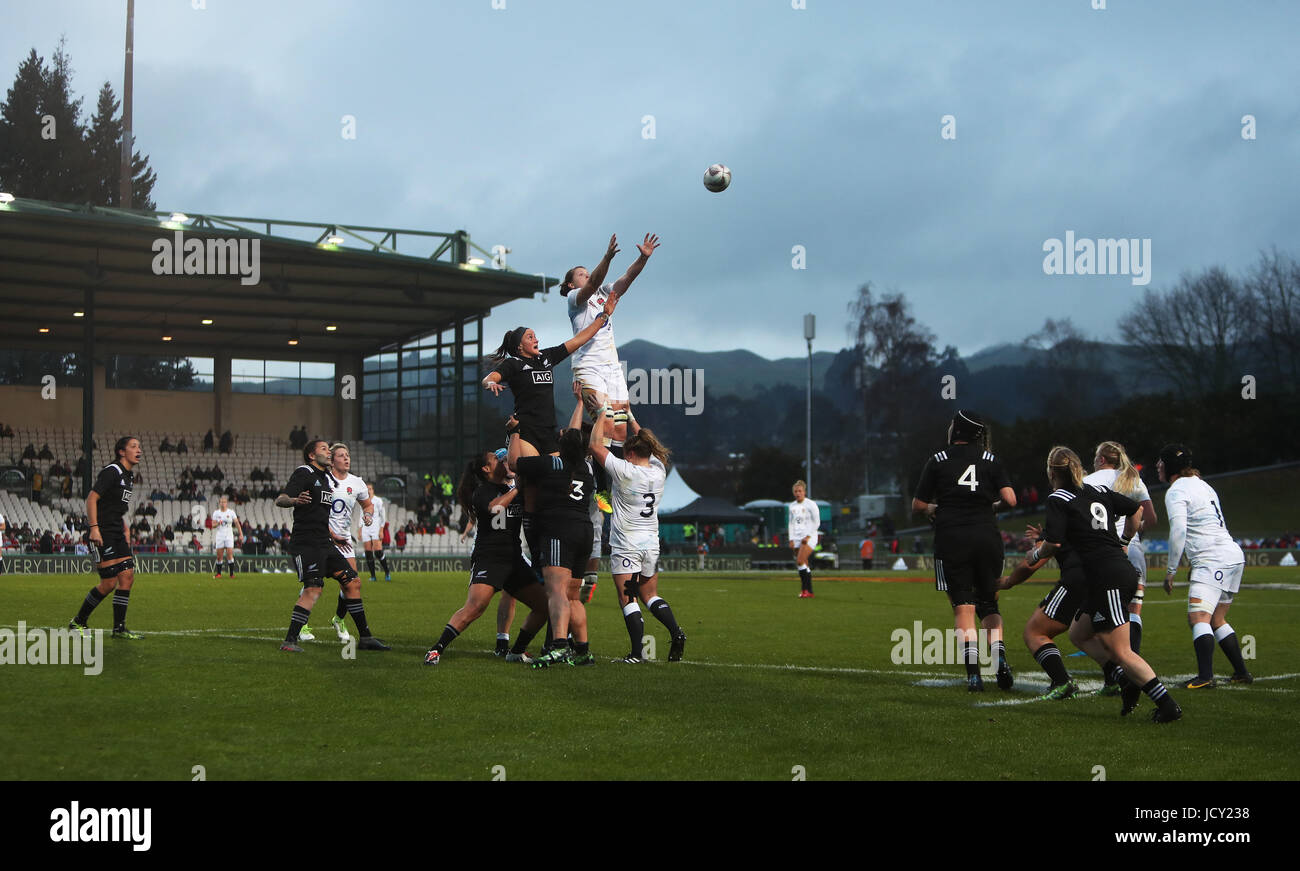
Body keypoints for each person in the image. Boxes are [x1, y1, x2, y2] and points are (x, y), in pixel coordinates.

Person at [1028, 446, 1181, 722]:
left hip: (1106, 575)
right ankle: (1124, 678)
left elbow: (1053, 544)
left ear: (1052, 472)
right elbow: (1136, 510)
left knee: (1121, 650)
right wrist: (1123, 541)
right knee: (1079, 633)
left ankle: (1166, 703)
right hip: (1111, 572)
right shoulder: (1095, 491)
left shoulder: (1058, 497)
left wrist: (1035, 554)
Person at [911, 410, 1016, 692]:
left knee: (963, 609)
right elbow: (1010, 499)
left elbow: (918, 505)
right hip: (987, 537)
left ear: (956, 430)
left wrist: (933, 507)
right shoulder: (991, 460)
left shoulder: (938, 460)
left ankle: (973, 675)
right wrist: (991, 506)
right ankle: (1000, 659)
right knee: (989, 605)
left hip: (951, 539)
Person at [424, 449, 551, 666]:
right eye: (496, 458)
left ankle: (516, 650)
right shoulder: (483, 491)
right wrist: (517, 489)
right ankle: (436, 649)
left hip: (514, 558)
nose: (503, 460)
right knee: (475, 607)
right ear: (486, 469)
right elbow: (494, 508)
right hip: (489, 558)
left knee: (545, 606)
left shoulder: (511, 488)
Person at [590, 407, 686, 663]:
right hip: (651, 544)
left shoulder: (625, 471)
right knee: (650, 594)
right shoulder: (659, 471)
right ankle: (676, 632)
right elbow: (650, 445)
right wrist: (630, 417)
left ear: (631, 453)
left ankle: (637, 653)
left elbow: (594, 446)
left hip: (627, 545)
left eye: (626, 454)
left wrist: (601, 414)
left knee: (627, 597)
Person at [275, 439, 389, 653]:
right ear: (311, 455)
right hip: (306, 543)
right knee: (314, 587)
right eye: (324, 449)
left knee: (352, 581)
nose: (329, 452)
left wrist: (333, 536)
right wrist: (294, 501)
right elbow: (280, 499)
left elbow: (321, 515)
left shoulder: (326, 480)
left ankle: (365, 637)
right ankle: (290, 641)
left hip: (326, 543)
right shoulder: (304, 472)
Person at [563, 232, 661, 469]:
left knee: (620, 430)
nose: (586, 275)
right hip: (588, 366)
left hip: (612, 368)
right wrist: (607, 257)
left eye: (587, 272)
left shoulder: (604, 293)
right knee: (604, 419)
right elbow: (593, 282)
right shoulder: (575, 298)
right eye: (581, 274)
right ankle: (601, 486)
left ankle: (611, 479)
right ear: (570, 284)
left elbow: (627, 278)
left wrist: (643, 259)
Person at [1158, 444, 1252, 688]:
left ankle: (1205, 677)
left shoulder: (1176, 490)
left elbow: (1179, 531)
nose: (1157, 466)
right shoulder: (1203, 484)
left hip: (1213, 558)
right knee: (1217, 619)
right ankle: (1241, 672)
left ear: (1169, 466)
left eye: (1161, 462)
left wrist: (1171, 571)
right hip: (1232, 555)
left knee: (1198, 617)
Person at [510, 428, 596, 668]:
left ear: (563, 447)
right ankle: (583, 651)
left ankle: (558, 646)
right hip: (584, 531)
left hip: (560, 530)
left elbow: (514, 463)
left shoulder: (551, 463)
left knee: (556, 591)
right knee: (573, 597)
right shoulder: (588, 469)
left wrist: (516, 433)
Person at [1084, 441, 1157, 656]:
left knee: (1103, 613)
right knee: (1134, 611)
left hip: (1104, 553)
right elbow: (1151, 518)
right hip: (1132, 550)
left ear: (1101, 460)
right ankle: (1133, 661)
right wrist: (1131, 535)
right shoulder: (1133, 479)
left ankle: (1117, 667)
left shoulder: (1088, 481)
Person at [68, 436, 145, 640]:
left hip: (117, 531)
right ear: (121, 451)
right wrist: (94, 529)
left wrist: (125, 528)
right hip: (102, 532)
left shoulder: (128, 476)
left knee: (127, 577)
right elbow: (92, 498)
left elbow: (114, 507)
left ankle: (119, 629)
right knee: (109, 583)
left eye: (139, 447)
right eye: (133, 446)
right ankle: (78, 621)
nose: (139, 450)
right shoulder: (112, 471)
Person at [322, 442, 378, 643]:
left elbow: (367, 505)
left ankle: (338, 619)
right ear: (332, 460)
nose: (346, 458)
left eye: (348, 455)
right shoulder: (323, 480)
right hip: (323, 539)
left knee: (353, 583)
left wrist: (368, 516)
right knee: (314, 584)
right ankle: (302, 625)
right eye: (341, 455)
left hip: (344, 540)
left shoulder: (356, 482)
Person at [788, 480, 821, 598]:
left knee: (800, 561)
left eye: (800, 491)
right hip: (797, 537)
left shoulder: (811, 504)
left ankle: (804, 590)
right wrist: (791, 539)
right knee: (803, 564)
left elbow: (817, 522)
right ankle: (809, 591)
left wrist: (808, 536)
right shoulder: (792, 506)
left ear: (804, 492)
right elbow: (791, 523)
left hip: (809, 536)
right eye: (796, 491)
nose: (798, 493)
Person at [359, 484, 391, 581]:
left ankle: (387, 572)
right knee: (368, 553)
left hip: (375, 528)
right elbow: (361, 515)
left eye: (370, 489)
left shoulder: (378, 501)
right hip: (365, 528)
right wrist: (360, 529)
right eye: (367, 489)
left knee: (378, 552)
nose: (368, 491)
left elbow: (383, 516)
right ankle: (373, 576)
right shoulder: (363, 501)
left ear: (373, 490)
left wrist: (381, 529)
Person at [211, 495, 241, 579]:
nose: (223, 504)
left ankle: (231, 574)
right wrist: (218, 523)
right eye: (221, 502)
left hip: (229, 535)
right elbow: (213, 525)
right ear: (219, 503)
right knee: (219, 556)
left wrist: (241, 534)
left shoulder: (231, 512)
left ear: (226, 503)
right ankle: (219, 574)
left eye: (224, 502)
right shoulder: (216, 513)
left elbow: (237, 523)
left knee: (229, 554)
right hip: (220, 535)